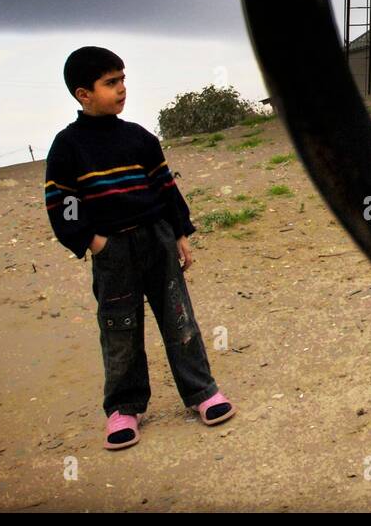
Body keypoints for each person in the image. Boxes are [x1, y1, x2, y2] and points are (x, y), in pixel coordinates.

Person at [44, 46, 235, 450]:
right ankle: (123, 408)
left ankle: (202, 393)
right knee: (119, 330)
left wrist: (180, 234)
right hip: (113, 253)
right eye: (110, 82)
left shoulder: (140, 138)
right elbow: (63, 204)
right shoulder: (67, 147)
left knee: (179, 319)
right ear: (84, 94)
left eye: (123, 79)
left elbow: (166, 188)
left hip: (157, 241)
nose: (122, 89)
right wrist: (94, 243)